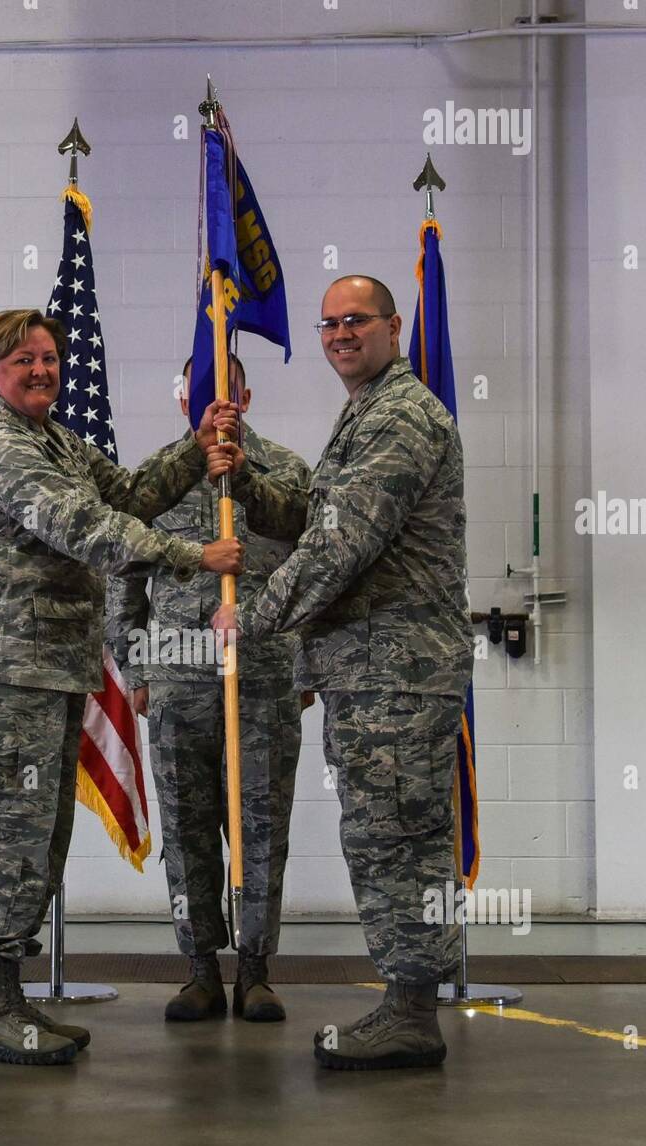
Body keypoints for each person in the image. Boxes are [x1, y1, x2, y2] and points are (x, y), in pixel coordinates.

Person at [0, 308, 242, 1067]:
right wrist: (192, 556)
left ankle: (12, 1004)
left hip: (48, 670)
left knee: (41, 841)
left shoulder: (57, 442)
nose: (41, 371)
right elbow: (85, 526)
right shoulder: (3, 448)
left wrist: (196, 445)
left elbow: (129, 493)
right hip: (7, 671)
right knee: (10, 841)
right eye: (23, 362)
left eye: (48, 358)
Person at [209, 276, 473, 1071]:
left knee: (397, 838)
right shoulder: (364, 412)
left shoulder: (400, 416)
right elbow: (313, 517)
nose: (339, 333)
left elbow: (339, 546)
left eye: (355, 320)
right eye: (328, 324)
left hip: (395, 668)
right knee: (385, 835)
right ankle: (406, 1002)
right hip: (369, 670)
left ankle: (411, 1011)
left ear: (394, 326)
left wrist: (249, 616)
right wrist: (244, 478)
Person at [106, 356, 312, 1023]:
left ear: (247, 394)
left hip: (264, 676)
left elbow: (317, 569)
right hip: (176, 678)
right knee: (188, 829)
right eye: (201, 389)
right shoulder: (155, 479)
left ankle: (255, 970)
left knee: (260, 830)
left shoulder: (284, 471)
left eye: (228, 386)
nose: (216, 400)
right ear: (182, 398)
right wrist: (135, 669)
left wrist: (305, 668)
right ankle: (199, 967)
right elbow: (123, 576)